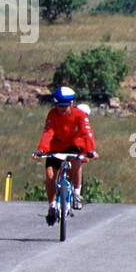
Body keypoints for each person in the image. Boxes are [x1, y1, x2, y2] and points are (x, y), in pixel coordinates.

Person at [33, 86, 96, 226]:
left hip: (74, 144)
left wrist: (90, 150)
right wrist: (41, 149)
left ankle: (76, 193)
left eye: (64, 106)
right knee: (50, 176)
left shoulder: (80, 115)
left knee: (76, 160)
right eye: (58, 105)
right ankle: (52, 206)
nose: (61, 109)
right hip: (56, 147)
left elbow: (87, 133)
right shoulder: (52, 114)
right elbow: (48, 132)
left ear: (71, 104)